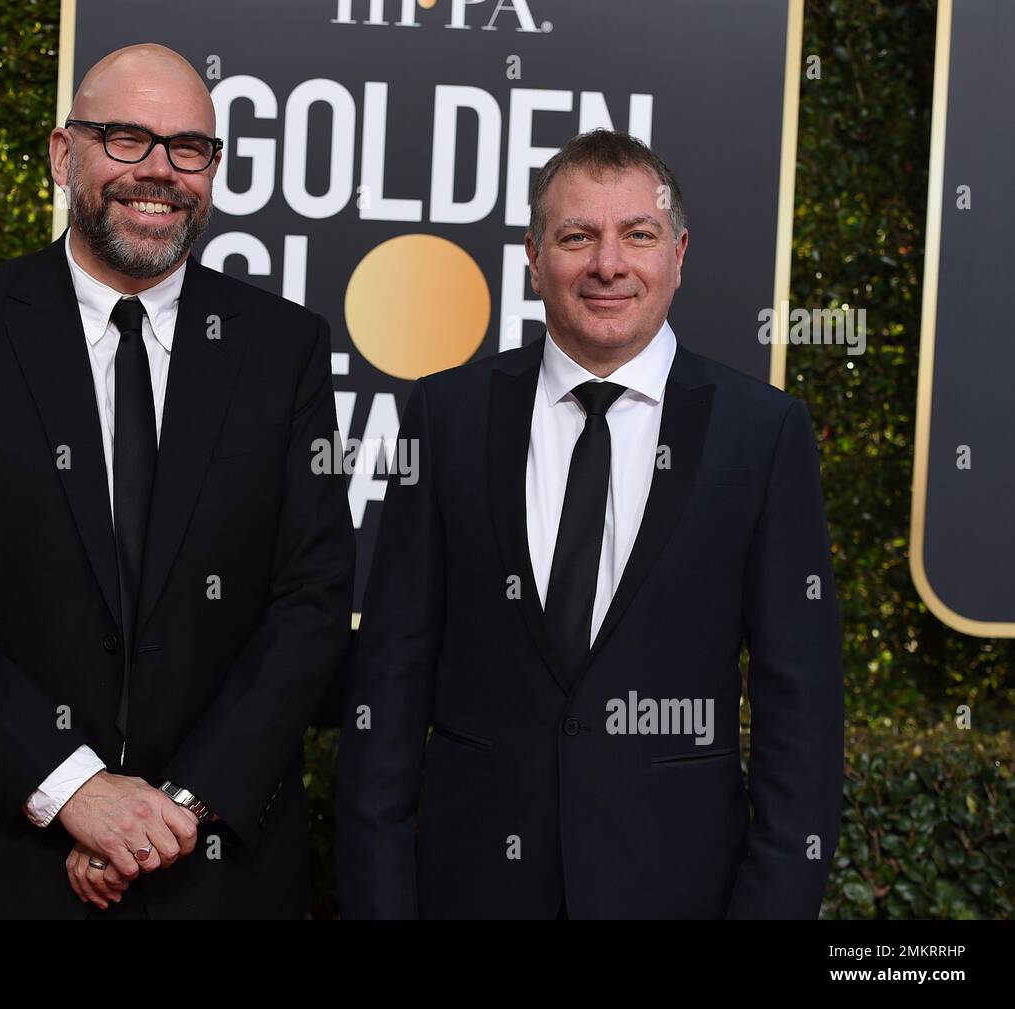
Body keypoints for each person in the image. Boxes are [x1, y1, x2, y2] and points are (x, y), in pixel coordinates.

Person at [0, 44, 353, 919]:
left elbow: (312, 599)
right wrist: (76, 791)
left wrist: (175, 811)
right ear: (63, 155)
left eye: (188, 148)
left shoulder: (286, 351)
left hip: (214, 869)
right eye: (127, 139)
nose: (159, 172)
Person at [336, 129, 843, 919]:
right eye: (578, 237)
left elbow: (801, 717)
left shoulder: (763, 434)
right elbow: (389, 688)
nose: (609, 264)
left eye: (637, 235)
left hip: (679, 895)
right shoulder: (447, 416)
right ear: (535, 259)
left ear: (678, 252)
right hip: (470, 891)